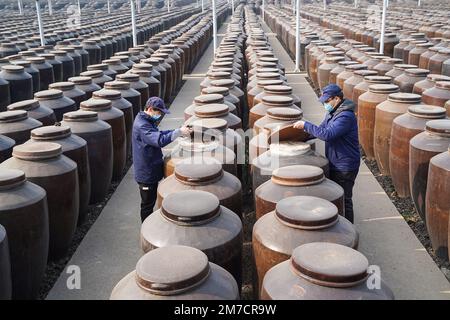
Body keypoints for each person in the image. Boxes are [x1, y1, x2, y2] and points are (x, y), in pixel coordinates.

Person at [293, 84, 360, 223]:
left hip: (345, 165)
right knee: (336, 195)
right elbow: (320, 129)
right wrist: (300, 137)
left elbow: (327, 135)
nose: (325, 104)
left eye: (327, 101)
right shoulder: (333, 112)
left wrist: (306, 125)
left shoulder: (345, 116)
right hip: (336, 161)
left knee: (344, 198)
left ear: (336, 98)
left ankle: (348, 227)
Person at [132, 97, 192, 222]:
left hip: (151, 167)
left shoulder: (146, 120)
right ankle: (147, 230)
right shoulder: (142, 125)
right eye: (158, 112)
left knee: (151, 200)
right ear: (149, 109)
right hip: (146, 173)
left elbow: (160, 134)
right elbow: (159, 140)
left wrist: (177, 132)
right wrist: (178, 132)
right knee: (147, 205)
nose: (159, 115)